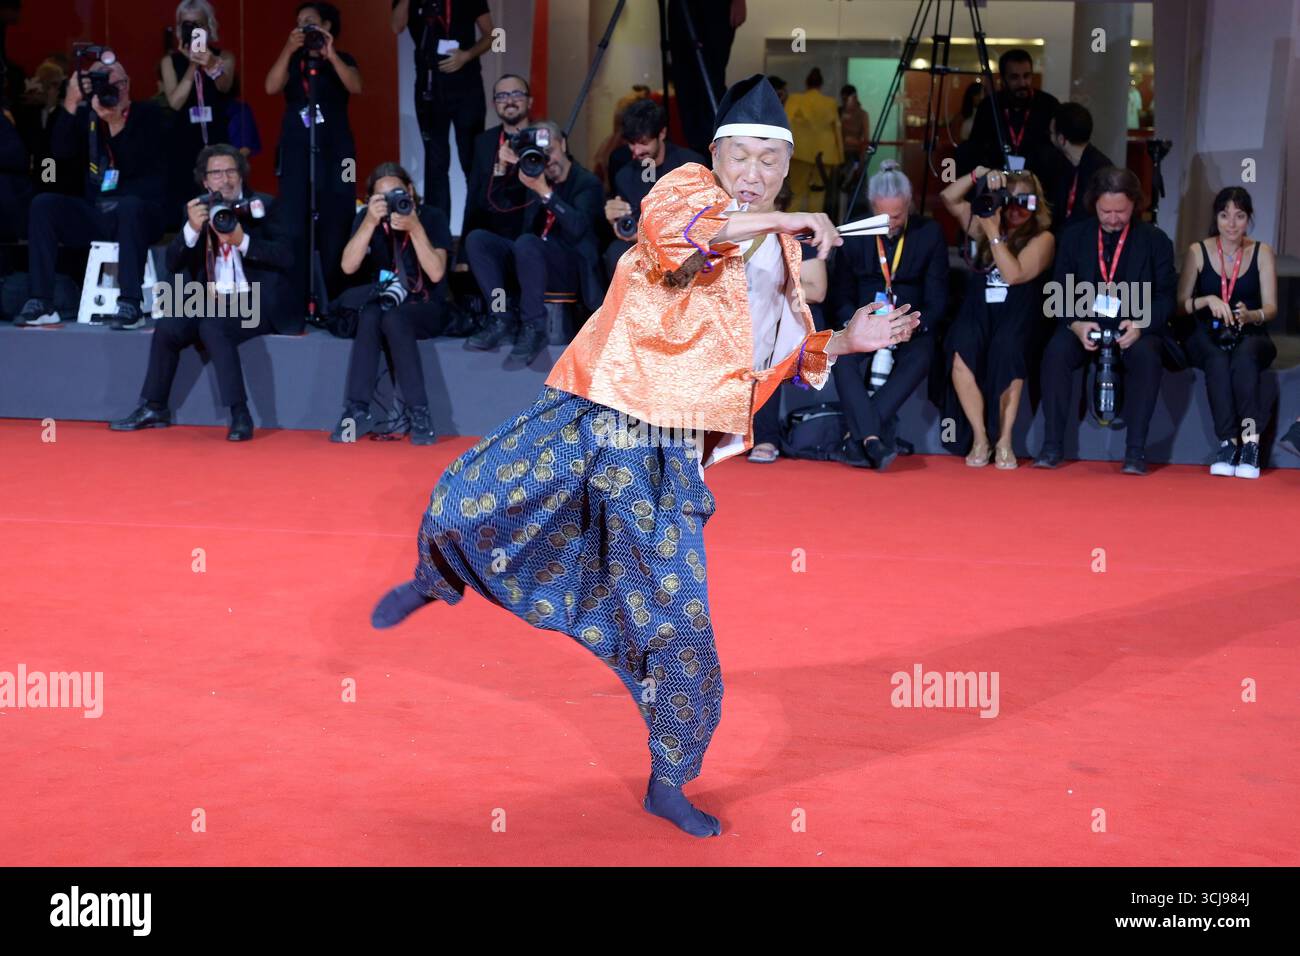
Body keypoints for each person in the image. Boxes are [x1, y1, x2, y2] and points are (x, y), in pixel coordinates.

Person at [368, 74, 919, 838]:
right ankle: (438, 580)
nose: (756, 171)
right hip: (599, 405)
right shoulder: (685, 186)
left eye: (772, 163)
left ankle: (670, 778)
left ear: (785, 168)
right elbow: (676, 237)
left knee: (679, 630)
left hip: (663, 451)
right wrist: (781, 218)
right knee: (468, 502)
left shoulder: (782, 263)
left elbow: (770, 364)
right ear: (720, 155)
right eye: (745, 156)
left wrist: (844, 341)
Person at [108, 145, 292, 441]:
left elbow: (286, 256)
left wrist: (242, 240)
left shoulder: (266, 207)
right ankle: (155, 406)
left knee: (213, 325)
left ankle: (240, 414)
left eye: (231, 171)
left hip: (254, 300)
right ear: (205, 181)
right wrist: (191, 230)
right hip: (209, 299)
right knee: (168, 326)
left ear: (241, 174)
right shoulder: (196, 211)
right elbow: (172, 261)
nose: (225, 179)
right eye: (216, 173)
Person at [1035, 166, 1176, 475]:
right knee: (1056, 353)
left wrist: (1140, 324)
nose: (1113, 218)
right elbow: (1058, 290)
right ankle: (1051, 446)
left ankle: (1136, 451)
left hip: (1135, 325)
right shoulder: (1074, 237)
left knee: (1147, 357)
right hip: (1085, 322)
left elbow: (1167, 297)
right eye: (1106, 211)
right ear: (1094, 205)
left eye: (1121, 212)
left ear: (1134, 205)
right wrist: (1075, 322)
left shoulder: (1155, 240)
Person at [13, 57, 167, 329]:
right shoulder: (89, 118)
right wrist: (71, 103)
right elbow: (57, 155)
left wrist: (116, 123)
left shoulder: (150, 114)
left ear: (127, 84)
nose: (111, 91)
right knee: (43, 204)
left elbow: (133, 166)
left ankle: (130, 303)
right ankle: (41, 302)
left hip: (141, 213)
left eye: (116, 84)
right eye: (102, 85)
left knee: (130, 205)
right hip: (98, 210)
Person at [831, 160, 951, 470]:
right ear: (871, 206)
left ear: (909, 205)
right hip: (864, 323)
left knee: (923, 356)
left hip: (910, 324)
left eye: (896, 216)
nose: (889, 222)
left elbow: (938, 298)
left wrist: (914, 326)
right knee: (840, 357)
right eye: (882, 215)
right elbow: (840, 295)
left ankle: (855, 438)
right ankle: (872, 438)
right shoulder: (855, 231)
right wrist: (857, 324)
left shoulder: (929, 233)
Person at [940, 165, 1054, 468]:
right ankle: (980, 437)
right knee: (961, 346)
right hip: (979, 309)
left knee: (1008, 349)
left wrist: (993, 235)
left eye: (1026, 201)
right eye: (1011, 200)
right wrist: (977, 175)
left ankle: (1004, 439)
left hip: (1018, 312)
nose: (1018, 209)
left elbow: (1013, 274)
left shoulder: (1043, 238)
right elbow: (948, 198)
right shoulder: (984, 223)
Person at [463, 120, 604, 364]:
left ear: (564, 144)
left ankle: (533, 326)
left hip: (569, 265)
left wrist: (545, 193)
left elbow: (578, 228)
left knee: (527, 242)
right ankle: (501, 317)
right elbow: (493, 207)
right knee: (478, 240)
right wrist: (501, 169)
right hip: (529, 259)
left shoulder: (586, 182)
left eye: (550, 152)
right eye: (541, 154)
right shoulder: (532, 175)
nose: (546, 160)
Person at [330, 163, 452, 446]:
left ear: (410, 190)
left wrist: (416, 228)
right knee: (372, 314)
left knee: (392, 318)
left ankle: (419, 413)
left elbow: (436, 272)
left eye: (396, 193)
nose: (390, 202)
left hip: (426, 305)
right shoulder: (367, 218)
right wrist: (370, 222)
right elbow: (348, 266)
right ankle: (357, 409)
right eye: (381, 198)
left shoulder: (431, 217)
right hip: (386, 303)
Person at [264, 2, 361, 316]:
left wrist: (330, 54)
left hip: (337, 155)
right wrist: (287, 49)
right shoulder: (293, 62)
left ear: (327, 26)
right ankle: (297, 299)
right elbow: (270, 87)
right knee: (294, 226)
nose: (304, 28)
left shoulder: (343, 59)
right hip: (296, 152)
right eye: (299, 23)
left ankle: (336, 299)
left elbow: (356, 87)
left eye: (311, 22)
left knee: (337, 224)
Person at [1175, 187, 1278, 479]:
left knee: (1245, 358)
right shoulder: (1198, 251)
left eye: (1239, 216)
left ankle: (1250, 444)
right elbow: (1180, 306)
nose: (1231, 224)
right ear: (1216, 217)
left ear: (1249, 219)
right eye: (1224, 215)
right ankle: (1227, 442)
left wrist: (1252, 315)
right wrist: (1207, 300)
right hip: (1208, 333)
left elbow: (1271, 307)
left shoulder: (1261, 252)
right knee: (1217, 360)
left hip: (1250, 332)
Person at [748, 182, 828, 464]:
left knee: (768, 339)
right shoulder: (740, 236)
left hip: (789, 314)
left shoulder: (800, 238)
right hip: (744, 315)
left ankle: (766, 437)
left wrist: (779, 285)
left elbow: (817, 290)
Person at [390, 0, 493, 221]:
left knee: (472, 159)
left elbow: (494, 35)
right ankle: (438, 237)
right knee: (435, 162)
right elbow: (396, 27)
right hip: (429, 85)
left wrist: (466, 55)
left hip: (467, 84)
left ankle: (476, 229)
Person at [602, 98, 704, 279]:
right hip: (643, 245)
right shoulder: (625, 176)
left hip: (683, 243)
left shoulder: (690, 166)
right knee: (615, 251)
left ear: (662, 133)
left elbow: (702, 223)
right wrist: (617, 221)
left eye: (643, 142)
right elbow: (630, 225)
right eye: (632, 143)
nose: (636, 151)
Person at [161, 0, 237, 228]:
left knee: (221, 199)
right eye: (187, 25)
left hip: (216, 137)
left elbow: (225, 86)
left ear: (208, 27)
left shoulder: (224, 57)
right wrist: (193, 64)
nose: (193, 31)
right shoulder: (170, 61)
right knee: (187, 203)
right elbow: (174, 102)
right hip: (183, 140)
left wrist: (211, 62)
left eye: (198, 25)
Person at [959, 49, 1059, 178]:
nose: (1022, 83)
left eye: (1027, 76)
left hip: (1039, 182)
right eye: (1014, 77)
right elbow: (976, 150)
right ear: (1003, 79)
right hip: (996, 181)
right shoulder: (989, 106)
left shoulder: (1048, 104)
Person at [667, 0, 745, 158]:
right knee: (684, 80)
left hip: (714, 7)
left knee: (710, 76)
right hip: (681, 5)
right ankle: (697, 155)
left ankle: (716, 151)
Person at [461, 74, 533, 244]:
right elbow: (474, 197)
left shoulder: (547, 138)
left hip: (532, 233)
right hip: (494, 233)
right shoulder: (483, 142)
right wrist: (463, 254)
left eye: (516, 94)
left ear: (530, 101)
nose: (509, 101)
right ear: (494, 104)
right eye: (502, 96)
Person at [1046, 102, 1112, 235]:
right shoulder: (1061, 164)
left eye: (1052, 133)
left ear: (1061, 139)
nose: (1050, 137)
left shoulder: (1101, 171)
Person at [784, 67, 841, 215]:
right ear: (821, 84)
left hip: (800, 152)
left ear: (806, 83)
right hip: (824, 155)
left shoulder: (795, 99)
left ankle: (789, 230)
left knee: (796, 191)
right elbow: (837, 129)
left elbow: (786, 122)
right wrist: (840, 156)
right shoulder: (831, 103)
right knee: (818, 192)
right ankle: (814, 229)